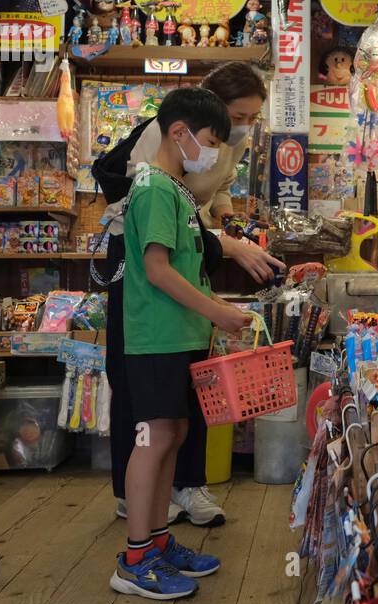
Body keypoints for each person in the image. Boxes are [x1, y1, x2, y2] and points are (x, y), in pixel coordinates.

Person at [106, 63, 285, 528]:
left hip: (184, 278)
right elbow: (156, 261)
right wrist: (217, 303)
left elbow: (218, 190)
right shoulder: (155, 178)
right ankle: (140, 523)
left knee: (182, 410)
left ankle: (178, 500)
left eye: (249, 120)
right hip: (152, 293)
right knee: (150, 414)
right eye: (233, 121)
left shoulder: (201, 160)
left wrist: (225, 227)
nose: (238, 132)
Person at [108, 88, 252, 600]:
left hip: (181, 335)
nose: (213, 153)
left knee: (173, 433)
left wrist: (212, 318)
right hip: (155, 339)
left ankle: (160, 542)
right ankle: (134, 558)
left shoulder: (178, 190)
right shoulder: (151, 188)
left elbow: (189, 263)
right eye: (211, 141)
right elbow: (156, 269)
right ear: (179, 132)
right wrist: (217, 312)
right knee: (152, 438)